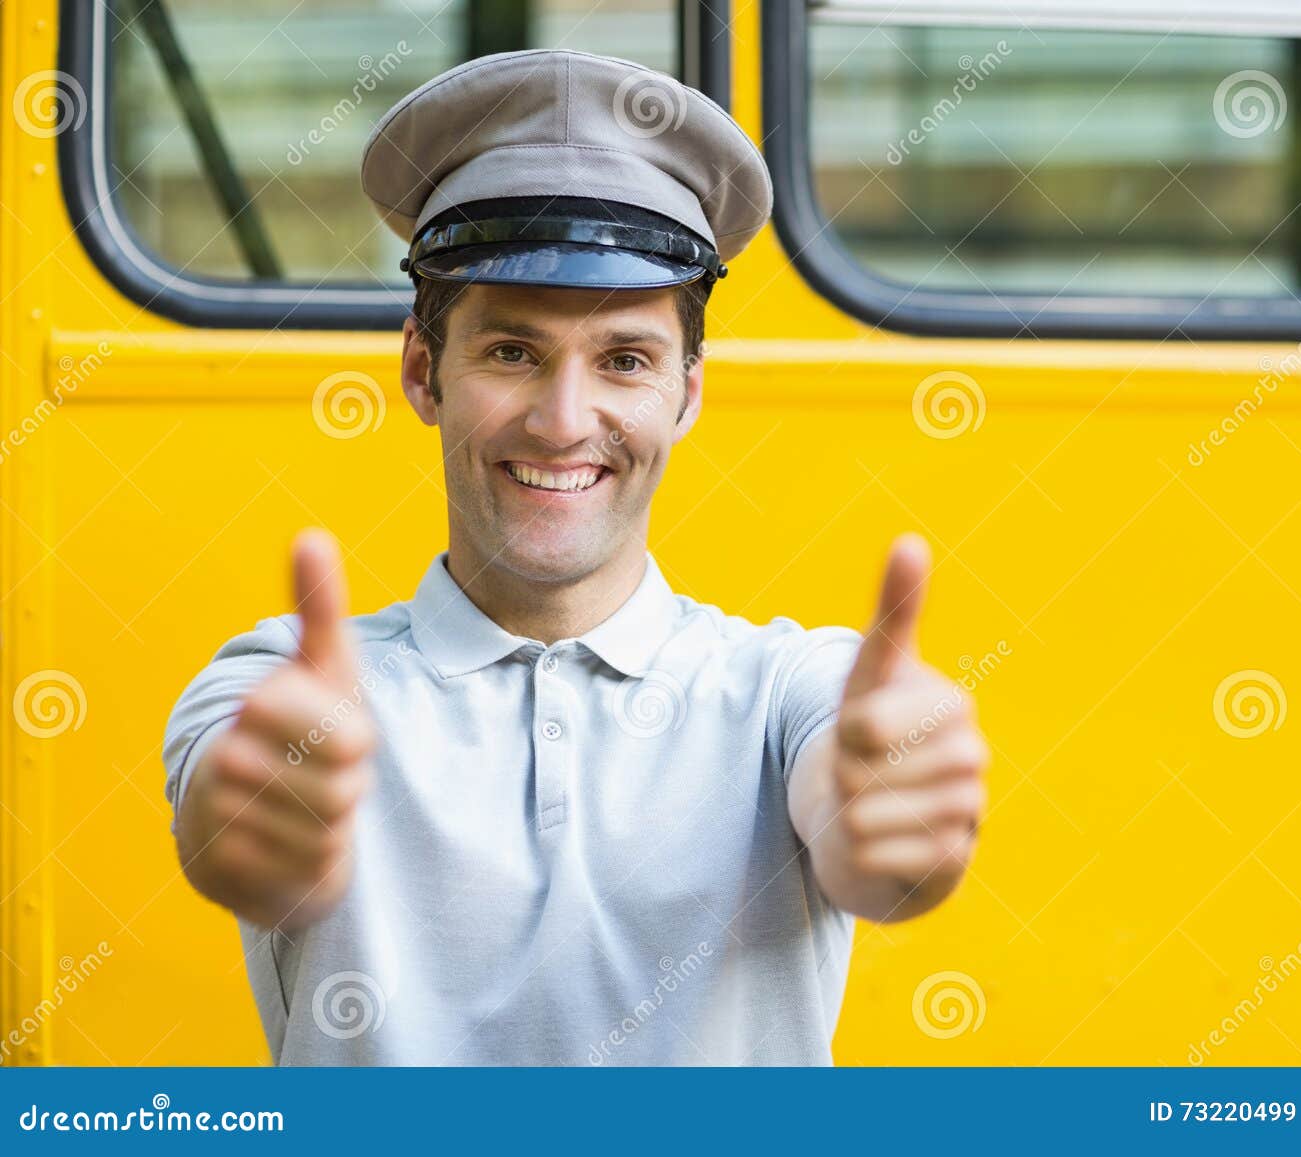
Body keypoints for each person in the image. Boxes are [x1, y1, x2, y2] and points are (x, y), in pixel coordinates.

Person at [162, 49, 988, 1065]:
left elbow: (868, 836)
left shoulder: (792, 688)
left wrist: (888, 826)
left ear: (685, 393)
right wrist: (255, 823)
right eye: (511, 351)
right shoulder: (275, 681)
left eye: (623, 360)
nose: (563, 421)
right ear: (424, 372)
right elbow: (239, 824)